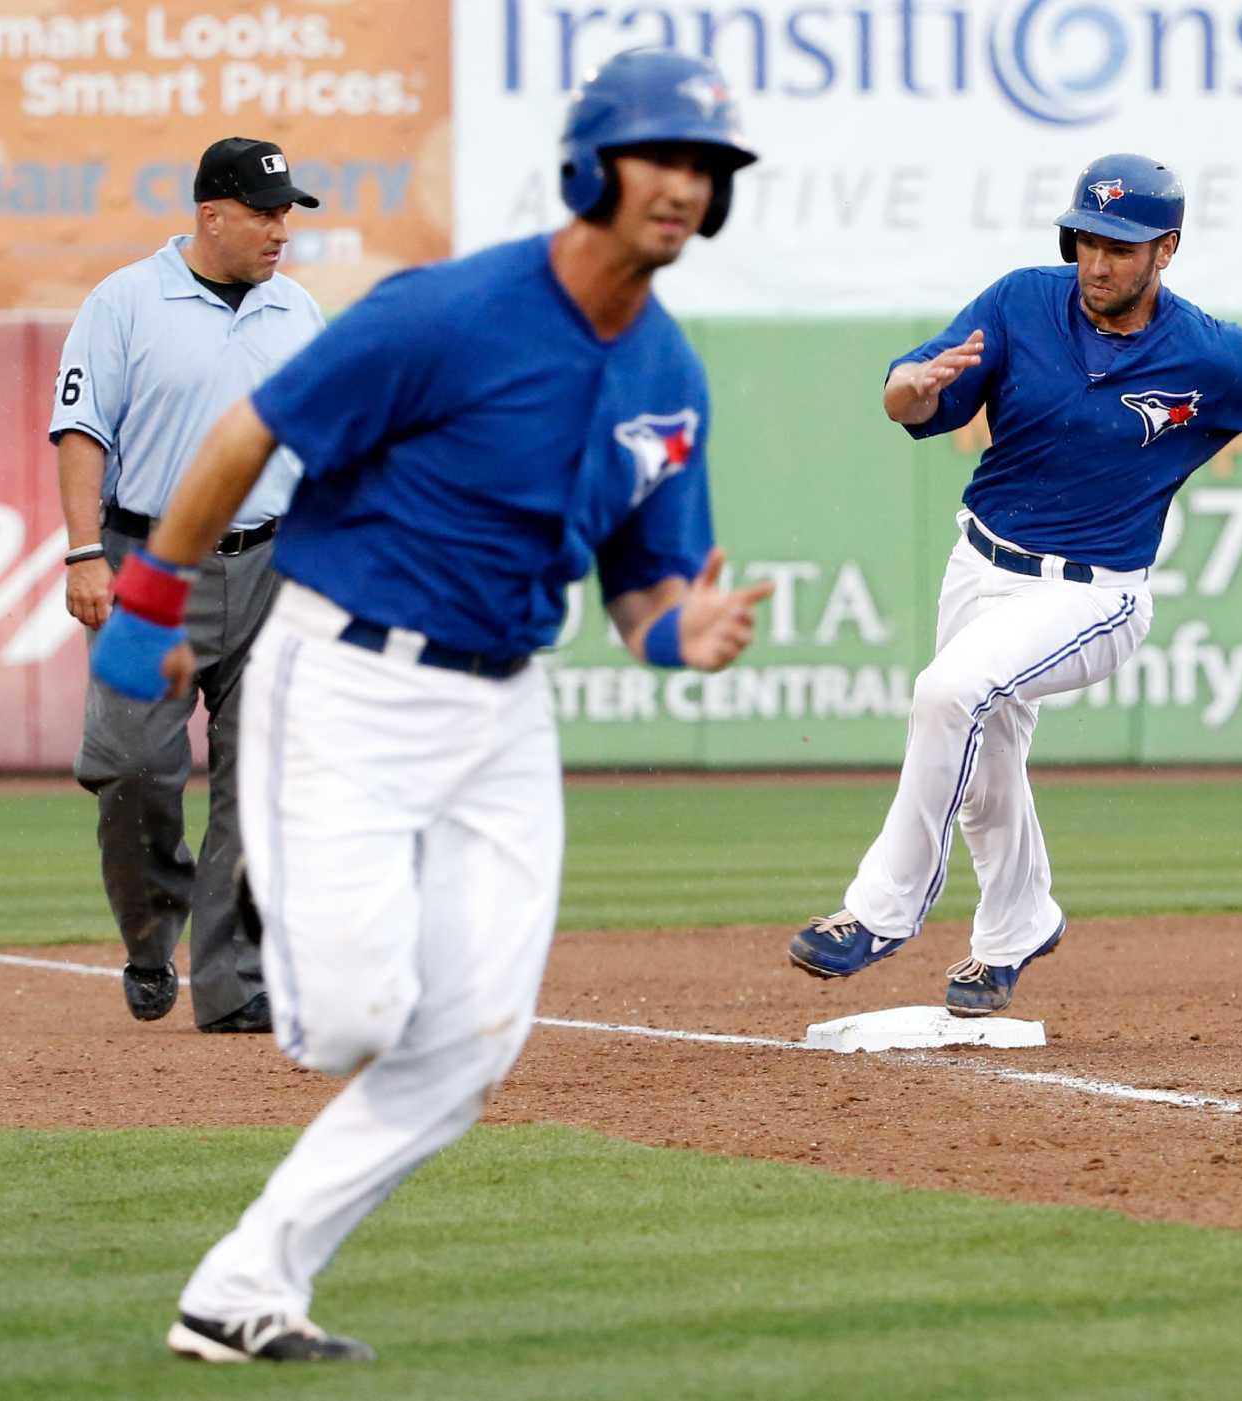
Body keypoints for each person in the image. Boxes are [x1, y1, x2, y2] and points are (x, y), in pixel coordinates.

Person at [88, 49, 774, 1363]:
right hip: (344, 675)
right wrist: (149, 604)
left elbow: (645, 588)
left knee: (463, 1049)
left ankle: (240, 1289)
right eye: (662, 157)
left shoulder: (667, 373)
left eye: (706, 168)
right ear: (592, 164)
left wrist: (687, 631)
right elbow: (247, 435)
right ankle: (285, 914)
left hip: (502, 714)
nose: (684, 187)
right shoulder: (447, 313)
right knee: (349, 1019)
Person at [789, 153, 1242, 1018]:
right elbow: (914, 394)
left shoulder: (1208, 352)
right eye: (1086, 238)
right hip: (978, 563)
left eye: (1121, 246)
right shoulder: (1021, 300)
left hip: (1095, 594)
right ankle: (1018, 927)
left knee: (948, 693)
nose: (1098, 261)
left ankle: (879, 912)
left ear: (1166, 249)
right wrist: (906, 391)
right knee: (986, 761)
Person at [51, 137, 327, 1033]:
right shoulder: (125, 301)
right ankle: (146, 935)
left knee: (261, 779)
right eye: (265, 212)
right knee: (133, 767)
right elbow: (81, 431)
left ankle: (234, 981)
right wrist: (83, 553)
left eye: (287, 212)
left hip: (274, 564)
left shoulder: (298, 312)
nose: (281, 229)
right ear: (212, 213)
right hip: (148, 562)